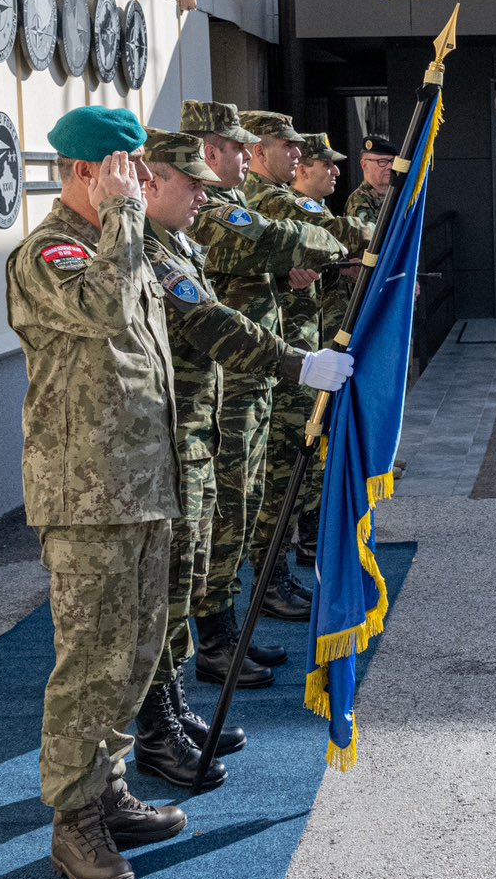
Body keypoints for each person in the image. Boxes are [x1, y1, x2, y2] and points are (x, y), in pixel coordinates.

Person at [132, 129, 354, 787]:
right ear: (147, 181)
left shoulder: (176, 243)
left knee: (185, 576)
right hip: (169, 440)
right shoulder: (148, 251)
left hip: (198, 430)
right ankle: (156, 732)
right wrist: (297, 364)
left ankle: (173, 712)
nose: (205, 190)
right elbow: (214, 323)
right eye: (192, 180)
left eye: (208, 176)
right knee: (165, 590)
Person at [5, 106, 182, 879]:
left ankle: (103, 787)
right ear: (86, 173)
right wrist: (124, 217)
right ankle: (72, 822)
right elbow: (105, 310)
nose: (141, 183)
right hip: (87, 500)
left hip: (141, 491)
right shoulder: (49, 255)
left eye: (139, 172)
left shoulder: (121, 243)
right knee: (89, 664)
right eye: (127, 170)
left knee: (137, 653)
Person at [181, 102, 346, 688]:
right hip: (227, 387)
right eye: (236, 148)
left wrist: (287, 264)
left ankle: (227, 632)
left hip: (253, 378)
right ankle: (214, 644)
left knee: (245, 503)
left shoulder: (228, 205)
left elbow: (282, 249)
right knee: (225, 513)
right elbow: (289, 238)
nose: (246, 156)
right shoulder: (214, 213)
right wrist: (295, 254)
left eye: (250, 146)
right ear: (211, 151)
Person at [244, 132, 375, 584]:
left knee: (297, 469)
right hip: (275, 360)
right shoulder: (270, 201)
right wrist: (387, 241)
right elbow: (336, 233)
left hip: (294, 352)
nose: (300, 157)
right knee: (280, 476)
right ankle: (269, 580)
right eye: (289, 148)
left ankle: (286, 566)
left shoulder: (270, 199)